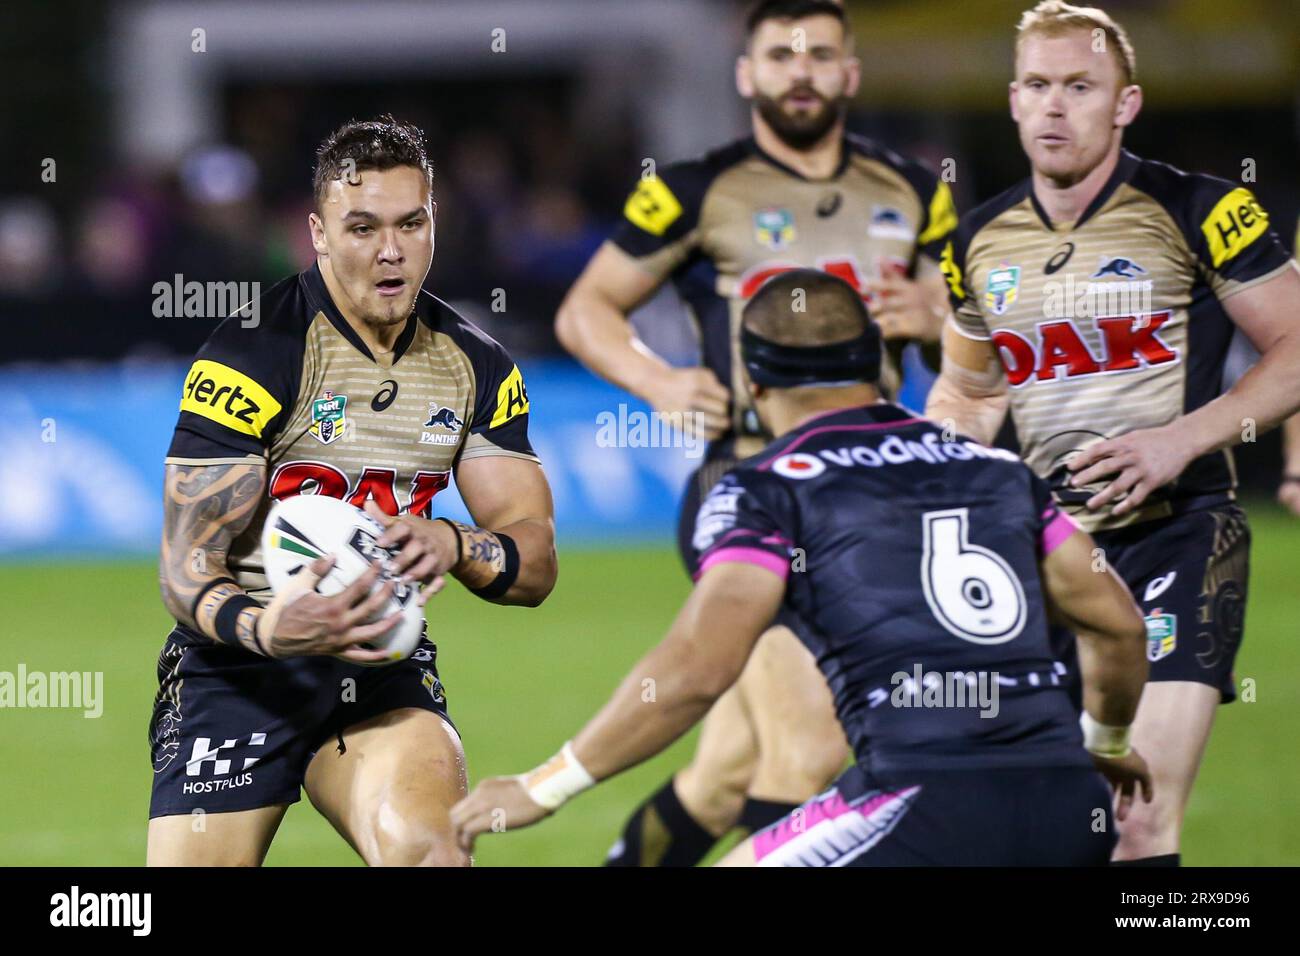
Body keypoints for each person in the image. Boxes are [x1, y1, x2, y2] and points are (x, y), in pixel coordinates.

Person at [453, 270, 1150, 866]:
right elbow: (1118, 624)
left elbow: (698, 667)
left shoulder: (769, 488)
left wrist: (544, 785)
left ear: (753, 381)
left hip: (916, 804)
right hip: (1068, 806)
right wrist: (1107, 740)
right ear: (878, 360)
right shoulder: (1001, 472)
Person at [555, 0, 957, 865]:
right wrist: (657, 381)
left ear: (850, 72)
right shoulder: (694, 189)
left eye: (819, 54)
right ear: (747, 75)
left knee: (721, 778)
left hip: (873, 491)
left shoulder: (916, 191)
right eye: (780, 54)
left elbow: (966, 345)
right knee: (809, 754)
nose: (799, 70)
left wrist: (936, 311)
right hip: (753, 485)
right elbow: (585, 309)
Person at [925, 1, 1300, 864]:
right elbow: (969, 389)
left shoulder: (1202, 209)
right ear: (1014, 100)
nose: (1055, 106)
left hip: (1176, 535)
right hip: (1044, 556)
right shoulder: (975, 239)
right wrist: (938, 455)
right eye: (1038, 85)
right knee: (1046, 827)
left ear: (1125, 104)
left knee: (1133, 819)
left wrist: (1181, 441)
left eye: (1080, 87)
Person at [148, 116, 557, 866]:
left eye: (412, 223)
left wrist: (457, 542)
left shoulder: (478, 367)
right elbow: (184, 569)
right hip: (237, 669)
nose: (391, 250)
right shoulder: (255, 351)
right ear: (319, 234)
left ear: (436, 225)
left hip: (378, 667)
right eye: (362, 226)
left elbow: (534, 566)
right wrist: (274, 630)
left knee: (433, 857)